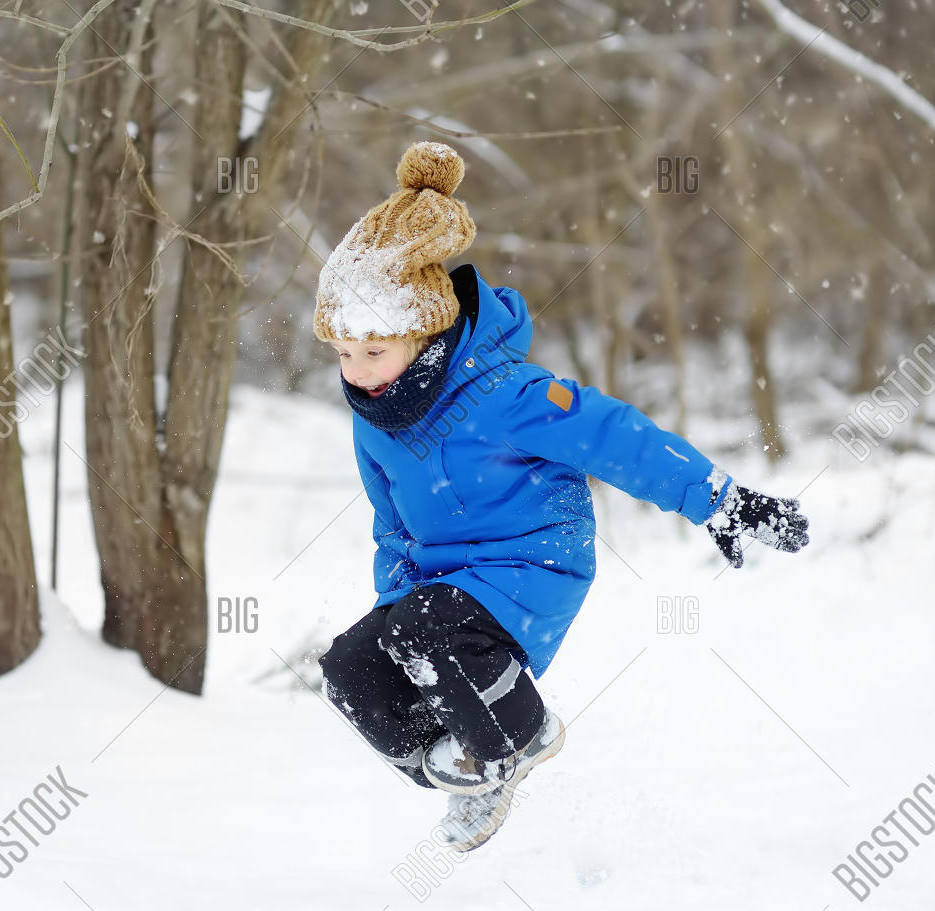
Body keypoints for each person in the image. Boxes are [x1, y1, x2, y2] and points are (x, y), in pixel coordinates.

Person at [315, 141, 809, 851]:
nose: (358, 373)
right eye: (344, 353)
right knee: (351, 667)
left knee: (424, 626)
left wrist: (717, 497)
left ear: (422, 332)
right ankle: (463, 768)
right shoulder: (378, 425)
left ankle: (516, 735)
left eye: (374, 351)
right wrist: (395, 600)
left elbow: (614, 437)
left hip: (534, 563)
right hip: (442, 592)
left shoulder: (506, 393)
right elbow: (391, 526)